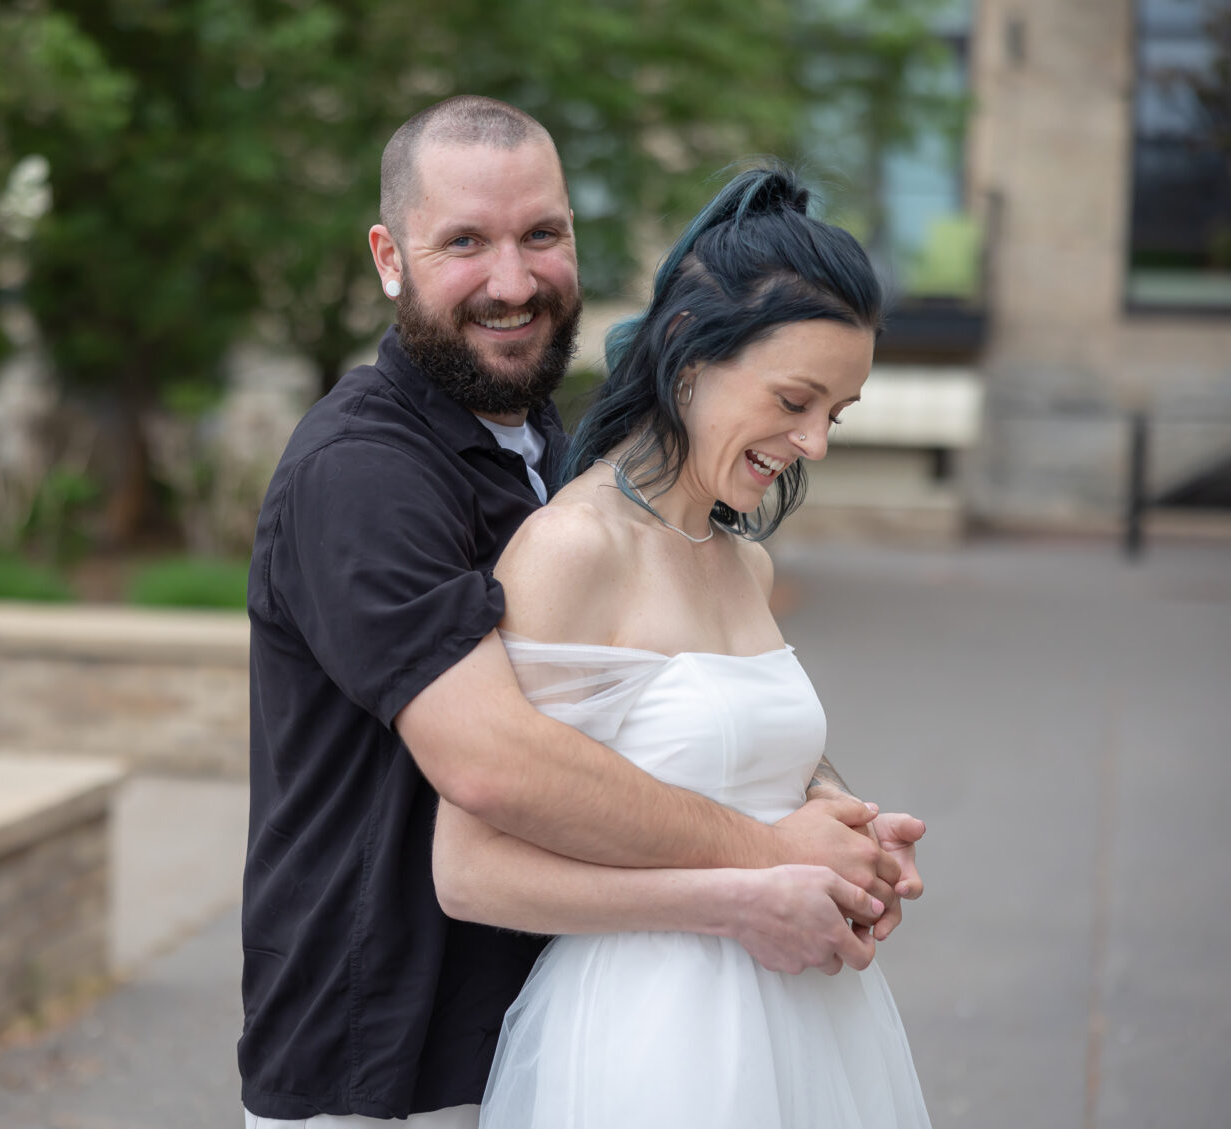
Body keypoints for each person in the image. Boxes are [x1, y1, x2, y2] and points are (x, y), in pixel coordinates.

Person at [242, 95, 923, 1128]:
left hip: (542, 1023)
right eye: (464, 241)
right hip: (378, 1061)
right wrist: (768, 854)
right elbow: (494, 764)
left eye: (541, 235)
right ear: (390, 257)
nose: (511, 281)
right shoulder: (361, 475)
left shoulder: (562, 461)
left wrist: (834, 817)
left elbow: (655, 705)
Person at [431, 165, 932, 1127]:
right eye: (794, 400)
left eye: (836, 412)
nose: (815, 442)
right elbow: (470, 870)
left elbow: (729, 765)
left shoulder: (743, 564)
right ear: (687, 353)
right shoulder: (575, 550)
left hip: (815, 1021)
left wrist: (843, 827)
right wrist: (741, 897)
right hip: (653, 1041)